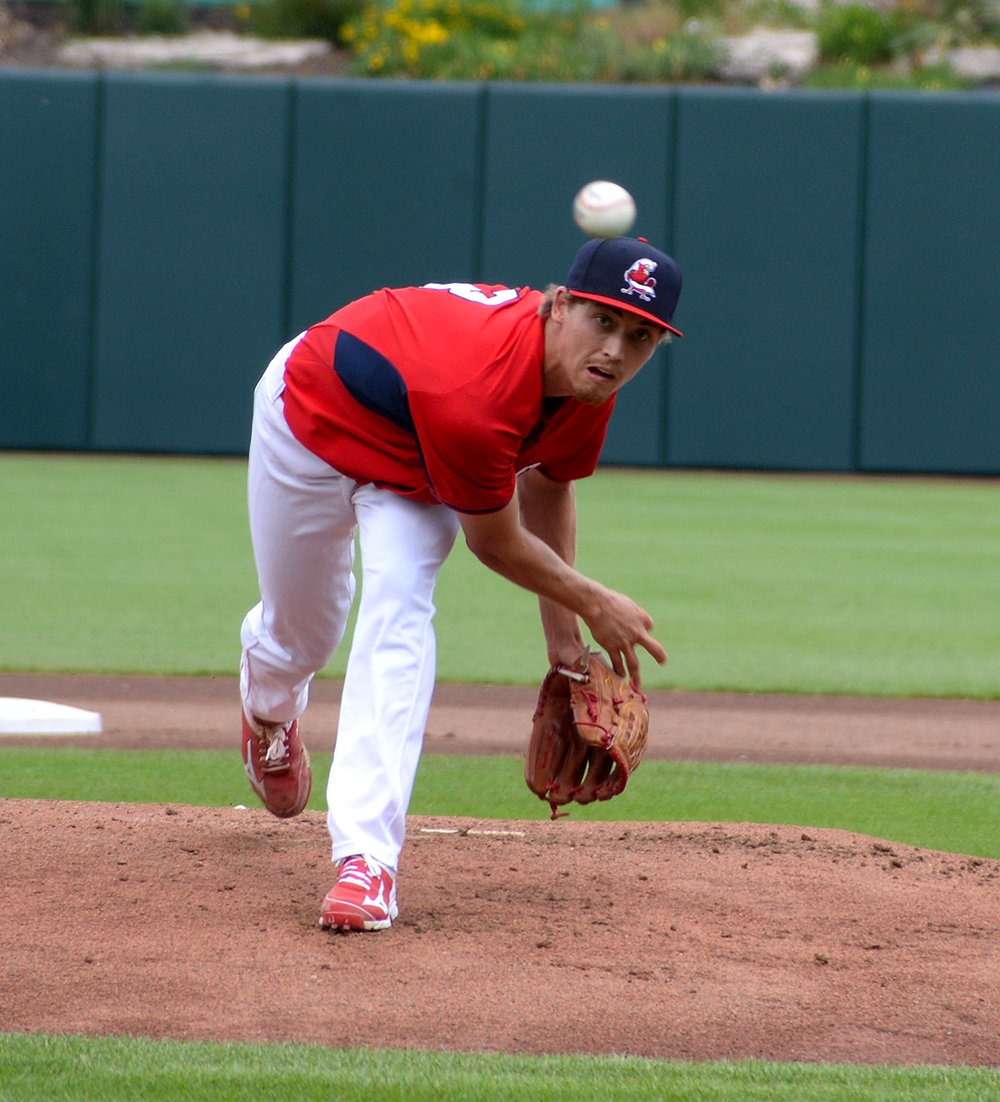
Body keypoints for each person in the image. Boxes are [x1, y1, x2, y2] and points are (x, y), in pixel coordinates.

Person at [239, 235, 683, 932]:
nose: (618, 350)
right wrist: (596, 602)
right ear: (559, 306)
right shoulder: (476, 393)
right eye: (603, 321)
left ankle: (367, 863)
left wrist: (566, 652)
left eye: (642, 336)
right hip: (309, 420)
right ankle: (269, 709)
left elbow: (548, 487)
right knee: (304, 633)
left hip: (411, 468)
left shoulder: (590, 383)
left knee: (400, 609)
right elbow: (496, 542)